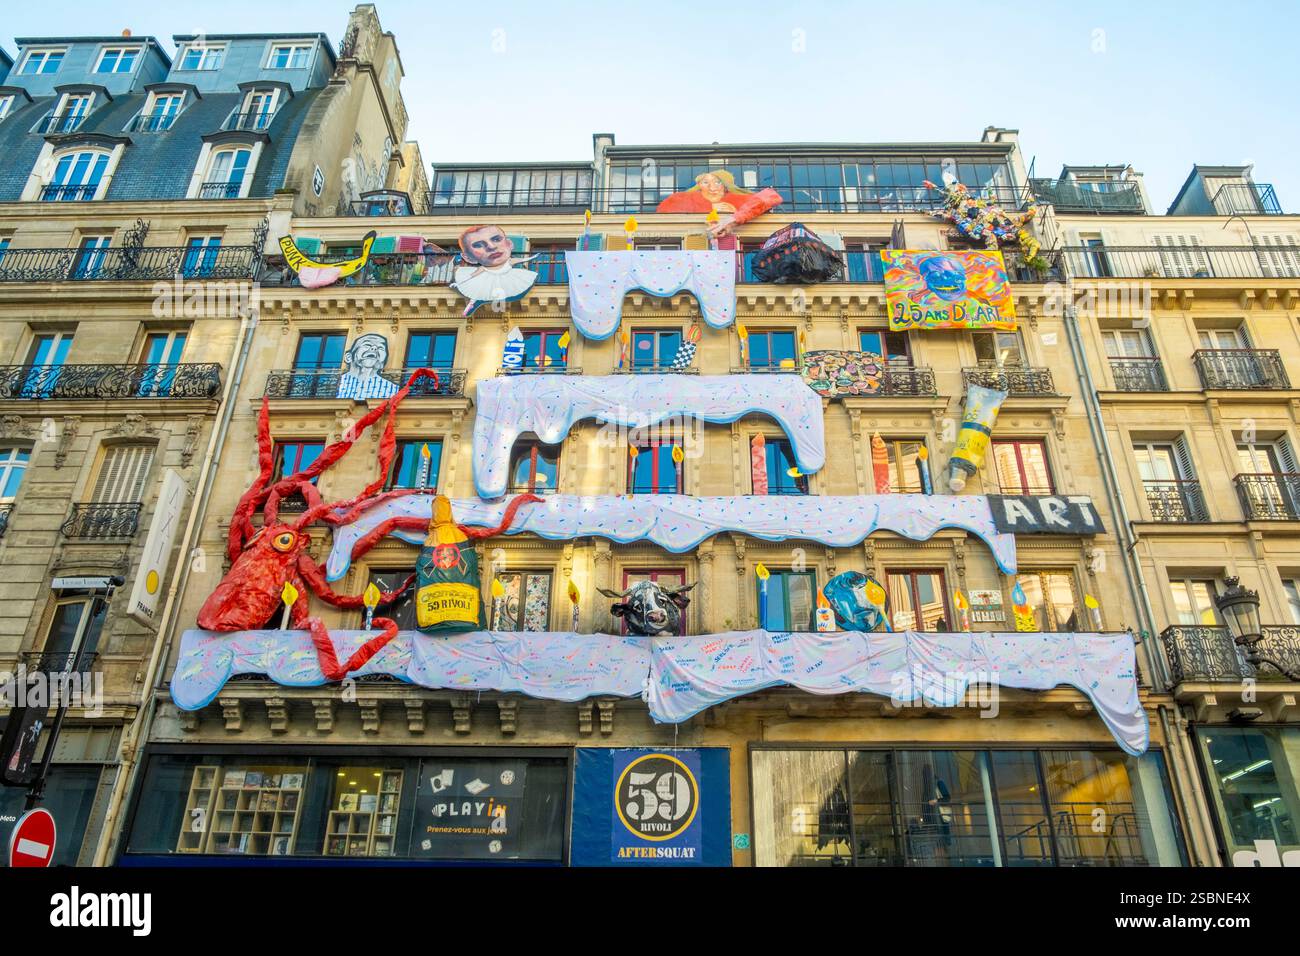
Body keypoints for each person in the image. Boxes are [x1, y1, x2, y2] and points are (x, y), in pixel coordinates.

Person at [654, 170, 783, 237]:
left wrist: (735, 217)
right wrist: (709, 208)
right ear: (699, 186)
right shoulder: (685, 197)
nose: (712, 187)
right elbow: (662, 209)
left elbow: (771, 196)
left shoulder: (738, 198)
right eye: (706, 182)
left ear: (725, 185)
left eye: (717, 182)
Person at [450, 225, 538, 316]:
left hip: (504, 280)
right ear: (468, 258)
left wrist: (534, 256)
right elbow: (472, 276)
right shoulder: (483, 268)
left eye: (496, 239)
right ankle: (472, 305)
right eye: (478, 245)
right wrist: (458, 283)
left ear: (509, 244)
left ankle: (482, 304)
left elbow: (523, 260)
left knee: (489, 294)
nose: (491, 247)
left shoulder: (510, 262)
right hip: (487, 281)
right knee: (477, 295)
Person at [336, 332, 399, 400]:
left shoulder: (392, 389)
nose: (374, 348)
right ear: (349, 357)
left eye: (381, 347)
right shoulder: (333, 385)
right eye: (367, 344)